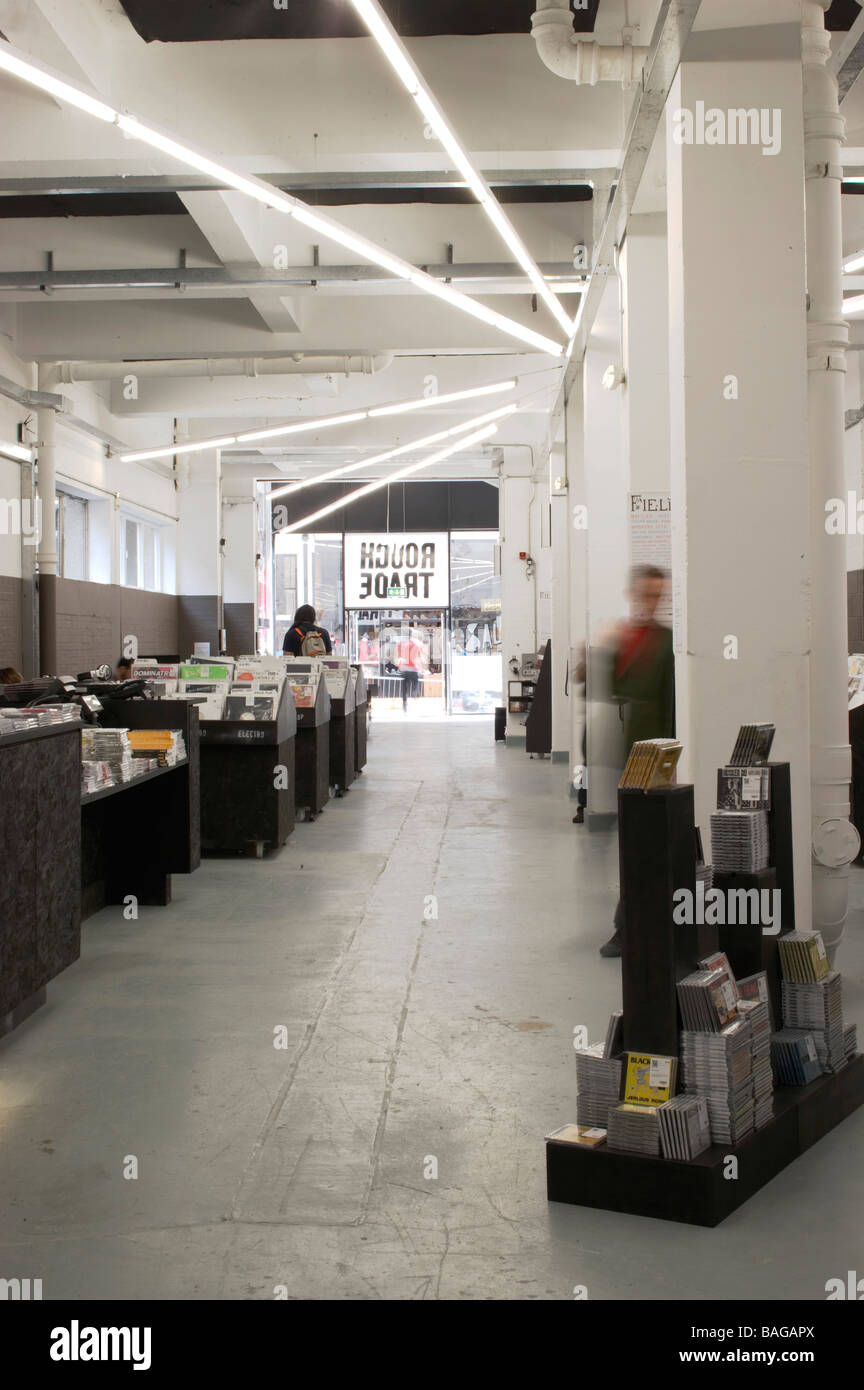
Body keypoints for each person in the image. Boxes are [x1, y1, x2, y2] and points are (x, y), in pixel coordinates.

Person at [599, 564, 675, 958]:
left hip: (656, 759)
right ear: (632, 595)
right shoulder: (626, 638)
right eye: (645, 594)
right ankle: (628, 925)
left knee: (647, 845)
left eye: (657, 595)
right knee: (634, 843)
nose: (651, 602)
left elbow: (672, 706)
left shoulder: (667, 643)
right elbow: (611, 690)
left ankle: (628, 927)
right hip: (630, 755)